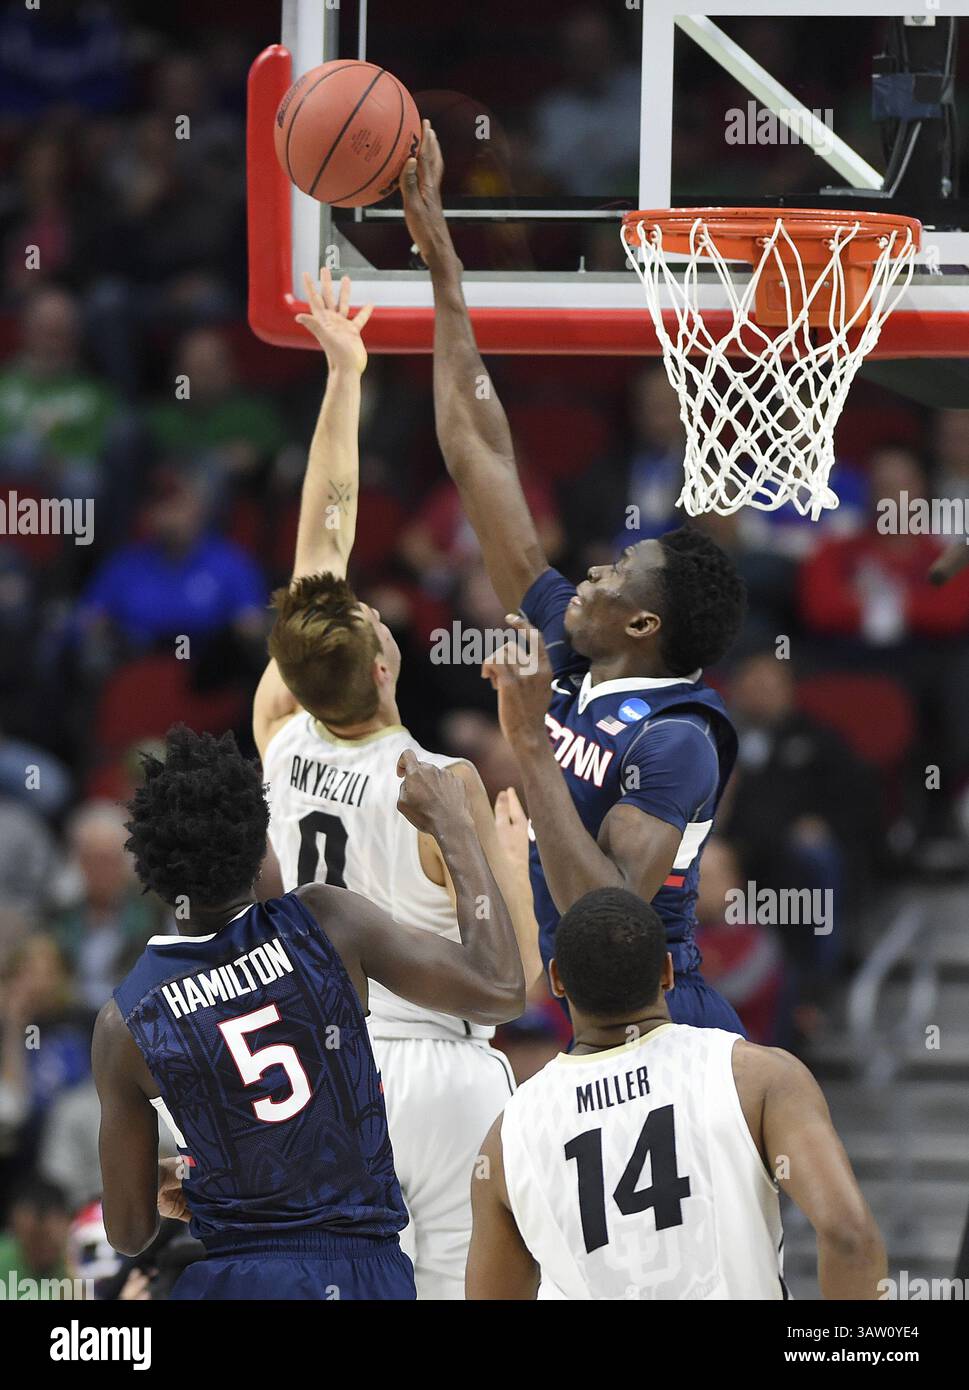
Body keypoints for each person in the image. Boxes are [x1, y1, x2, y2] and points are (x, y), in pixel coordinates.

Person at [402, 125, 746, 1032]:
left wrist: (527, 741)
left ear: (643, 628)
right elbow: (476, 451)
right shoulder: (566, 632)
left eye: (616, 574)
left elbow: (612, 925)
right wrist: (443, 266)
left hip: (663, 1023)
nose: (590, 574)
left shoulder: (677, 740)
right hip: (578, 1019)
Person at [252, 269, 541, 1299]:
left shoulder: (278, 727)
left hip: (324, 1066)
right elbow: (521, 986)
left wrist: (344, 374)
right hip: (441, 1067)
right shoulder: (442, 779)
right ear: (384, 666)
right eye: (378, 625)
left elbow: (319, 535)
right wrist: (510, 865)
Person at [92, 724, 524, 1301]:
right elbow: (500, 989)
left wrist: (192, 1174)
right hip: (362, 1275)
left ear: (149, 871)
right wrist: (455, 826)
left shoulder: (125, 1025)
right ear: (258, 847)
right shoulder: (324, 923)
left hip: (234, 1281)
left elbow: (127, 1232)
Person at [466, 887, 886, 1301]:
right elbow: (847, 1235)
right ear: (668, 972)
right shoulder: (758, 1077)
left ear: (556, 980)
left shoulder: (507, 1137)